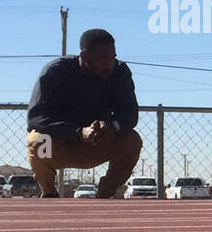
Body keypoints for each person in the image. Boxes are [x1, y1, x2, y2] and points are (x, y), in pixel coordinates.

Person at [26, 28, 142, 199]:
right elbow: (37, 118)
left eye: (113, 57)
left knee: (131, 140)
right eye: (103, 58)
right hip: (62, 144)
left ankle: (105, 196)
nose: (109, 63)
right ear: (85, 56)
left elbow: (130, 114)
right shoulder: (55, 71)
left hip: (99, 143)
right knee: (37, 140)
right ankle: (49, 192)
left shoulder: (120, 72)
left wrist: (111, 126)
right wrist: (78, 132)